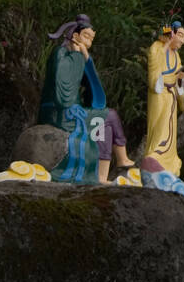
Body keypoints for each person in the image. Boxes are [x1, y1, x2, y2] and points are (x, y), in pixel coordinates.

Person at [39, 15, 134, 184]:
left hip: (73, 109)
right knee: (109, 116)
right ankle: (120, 160)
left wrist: (87, 60)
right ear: (75, 36)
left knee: (105, 119)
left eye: (91, 38)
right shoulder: (60, 53)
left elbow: (94, 90)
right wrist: (78, 56)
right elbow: (63, 90)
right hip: (58, 112)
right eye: (86, 37)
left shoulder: (78, 57)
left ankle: (102, 176)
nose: (89, 42)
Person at [142, 21, 184, 176]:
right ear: (172, 34)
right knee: (158, 124)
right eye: (180, 36)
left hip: (171, 96)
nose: (182, 41)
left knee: (169, 128)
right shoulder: (157, 47)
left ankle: (169, 162)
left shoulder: (177, 56)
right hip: (159, 91)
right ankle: (153, 155)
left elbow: (180, 81)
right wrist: (165, 45)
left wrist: (181, 79)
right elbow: (154, 66)